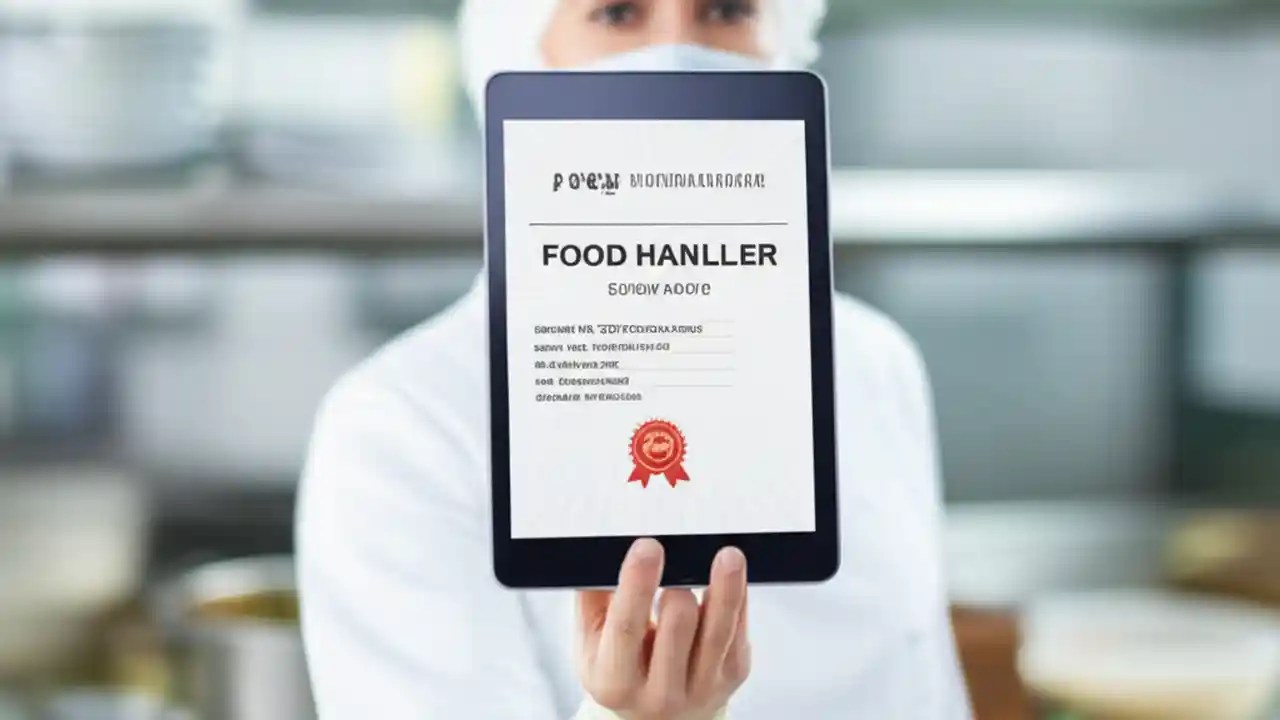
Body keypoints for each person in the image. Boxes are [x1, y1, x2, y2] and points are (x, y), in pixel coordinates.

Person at [296, 1, 972, 718]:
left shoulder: (872, 367)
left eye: (726, 10)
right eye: (617, 14)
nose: (677, 53)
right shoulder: (402, 429)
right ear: (514, 58)